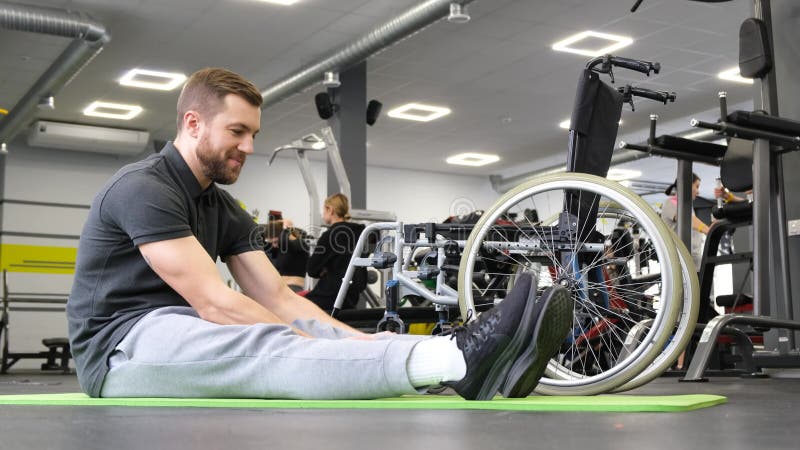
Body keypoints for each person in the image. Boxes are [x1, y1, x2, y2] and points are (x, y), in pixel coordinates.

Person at [66, 67, 573, 401]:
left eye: (253, 135)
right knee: (266, 348)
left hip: (181, 330)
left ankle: (439, 365)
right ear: (193, 123)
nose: (247, 146)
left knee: (305, 326)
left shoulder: (223, 208)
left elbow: (282, 300)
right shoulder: (143, 189)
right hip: (121, 346)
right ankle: (460, 357)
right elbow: (216, 304)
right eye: (236, 132)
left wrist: (359, 343)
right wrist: (300, 338)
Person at [304, 193, 366, 311]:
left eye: (324, 210)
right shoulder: (361, 233)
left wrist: (324, 270)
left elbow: (312, 269)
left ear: (330, 210)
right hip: (352, 296)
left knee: (297, 305)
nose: (322, 214)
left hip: (330, 295)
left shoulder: (329, 235)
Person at [660, 173, 709, 267]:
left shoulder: (687, 206)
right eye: (697, 186)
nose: (698, 191)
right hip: (680, 260)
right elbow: (689, 219)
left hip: (693, 259)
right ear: (686, 186)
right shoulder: (670, 203)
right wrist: (709, 230)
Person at [263, 219, 309, 292]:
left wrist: (286, 229)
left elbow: (284, 239)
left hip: (293, 288)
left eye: (275, 242)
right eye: (272, 242)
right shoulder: (281, 249)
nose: (274, 245)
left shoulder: (300, 244)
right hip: (280, 288)